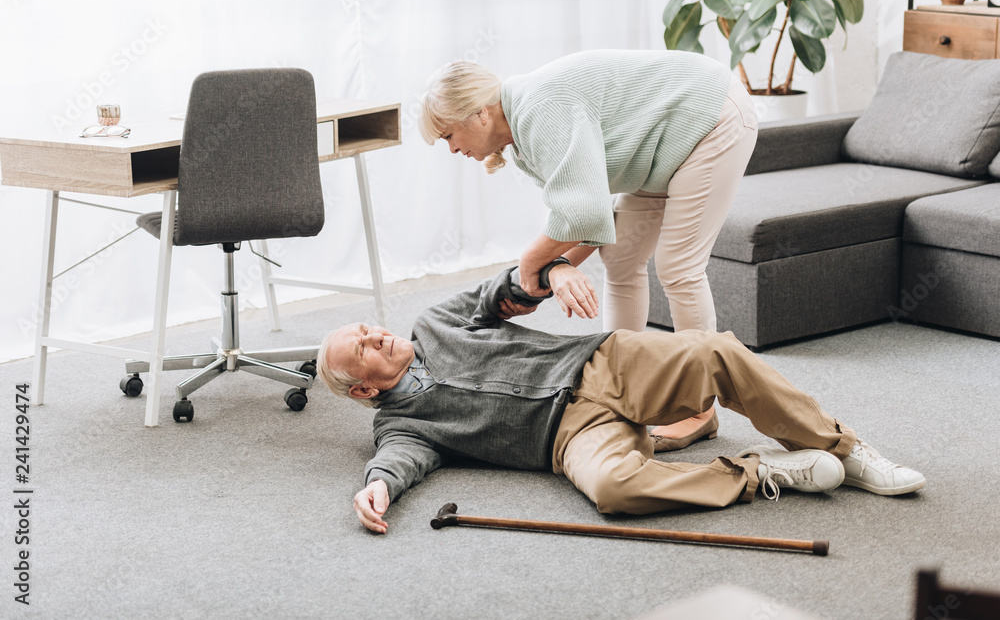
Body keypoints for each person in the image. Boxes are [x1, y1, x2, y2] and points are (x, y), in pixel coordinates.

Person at [315, 267, 925, 534]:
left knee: (715, 351)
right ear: (365, 389)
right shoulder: (402, 425)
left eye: (367, 328)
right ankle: (760, 471)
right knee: (613, 490)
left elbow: (500, 290)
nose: (375, 334)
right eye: (362, 347)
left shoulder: (434, 322)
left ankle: (843, 448)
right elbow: (397, 463)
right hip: (569, 440)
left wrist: (550, 276)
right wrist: (378, 488)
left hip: (600, 364)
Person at [418, 49, 759, 451]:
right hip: (659, 149)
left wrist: (532, 262)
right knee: (622, 259)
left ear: (479, 114)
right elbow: (590, 223)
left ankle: (699, 408)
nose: (453, 149)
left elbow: (583, 212)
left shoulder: (538, 109)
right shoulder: (524, 141)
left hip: (710, 118)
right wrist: (550, 271)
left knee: (678, 266)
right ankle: (626, 389)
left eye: (448, 136)